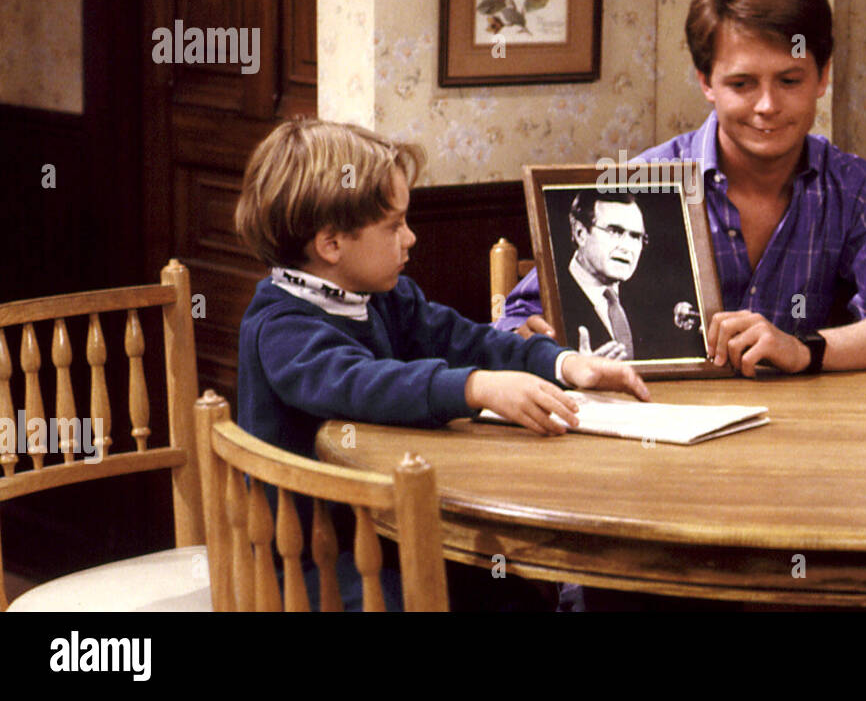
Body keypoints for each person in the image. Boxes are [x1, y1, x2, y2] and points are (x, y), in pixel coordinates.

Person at [233, 118, 649, 609]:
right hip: (315, 566)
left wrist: (561, 363)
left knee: (518, 599)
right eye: (394, 226)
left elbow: (465, 339)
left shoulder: (381, 295)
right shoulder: (279, 326)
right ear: (331, 245)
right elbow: (362, 383)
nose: (410, 238)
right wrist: (476, 389)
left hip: (387, 538)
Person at [499, 0, 866, 374]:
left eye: (790, 80)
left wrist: (803, 349)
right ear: (706, 82)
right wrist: (530, 340)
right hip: (658, 439)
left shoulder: (851, 187)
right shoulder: (639, 184)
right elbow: (514, 319)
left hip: (803, 439)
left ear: (822, 76)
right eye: (742, 84)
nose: (768, 105)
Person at [558, 190, 703, 361]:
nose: (627, 247)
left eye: (635, 236)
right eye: (614, 231)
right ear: (580, 233)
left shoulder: (650, 300)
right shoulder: (549, 292)